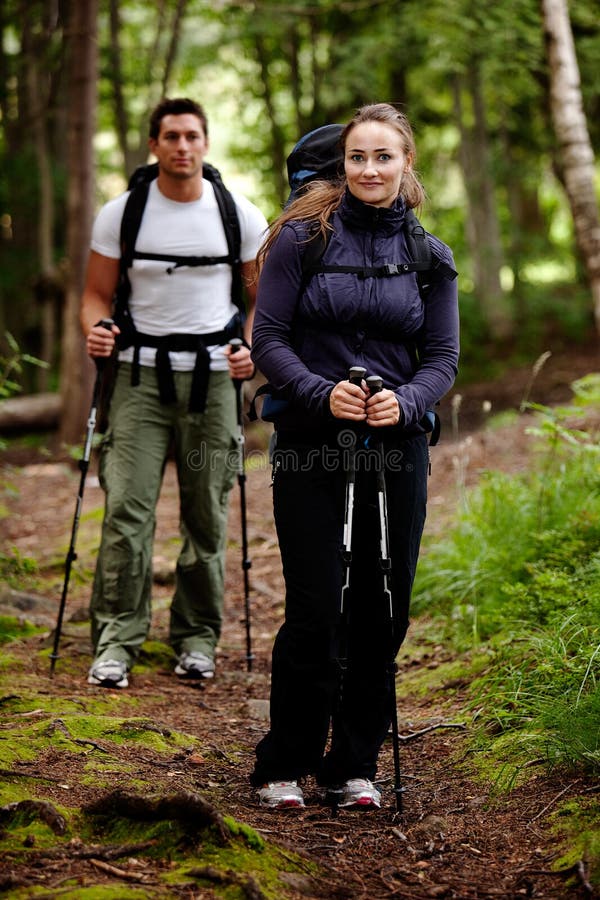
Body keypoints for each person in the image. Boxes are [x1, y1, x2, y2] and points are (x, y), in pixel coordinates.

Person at [249, 103, 459, 809]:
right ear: (342, 167)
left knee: (385, 602)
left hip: (396, 444)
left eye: (384, 158)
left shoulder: (432, 256)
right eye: (358, 158)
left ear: (406, 165)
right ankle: (285, 761)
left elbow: (443, 356)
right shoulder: (300, 240)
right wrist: (319, 392)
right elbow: (270, 339)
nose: (370, 170)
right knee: (317, 602)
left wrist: (405, 401)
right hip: (312, 438)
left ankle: (354, 763)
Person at [80, 97, 268, 689]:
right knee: (125, 510)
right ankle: (115, 641)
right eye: (170, 137)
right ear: (154, 146)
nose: (181, 146)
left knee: (206, 514)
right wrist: (96, 331)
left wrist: (250, 348)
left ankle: (196, 638)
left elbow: (262, 304)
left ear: (205, 143)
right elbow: (93, 294)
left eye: (191, 135)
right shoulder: (122, 214)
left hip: (213, 382)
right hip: (135, 379)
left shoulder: (239, 214)